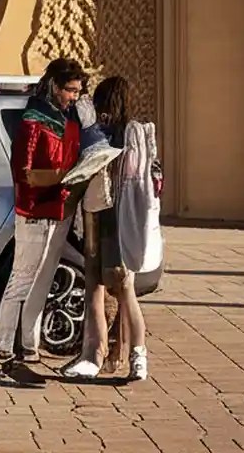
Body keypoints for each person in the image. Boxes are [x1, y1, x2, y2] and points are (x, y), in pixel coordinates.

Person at [0, 57, 88, 384]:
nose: (74, 96)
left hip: (60, 210)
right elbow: (24, 173)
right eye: (70, 90)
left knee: (40, 284)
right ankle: (6, 353)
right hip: (35, 212)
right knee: (20, 281)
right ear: (54, 86)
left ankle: (28, 348)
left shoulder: (70, 118)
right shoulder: (33, 122)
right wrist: (61, 177)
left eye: (78, 91)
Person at [63, 76, 162, 381]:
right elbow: (150, 177)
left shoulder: (102, 133)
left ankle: (94, 354)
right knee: (125, 290)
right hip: (127, 221)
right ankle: (137, 357)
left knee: (96, 285)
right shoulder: (137, 134)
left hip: (100, 212)